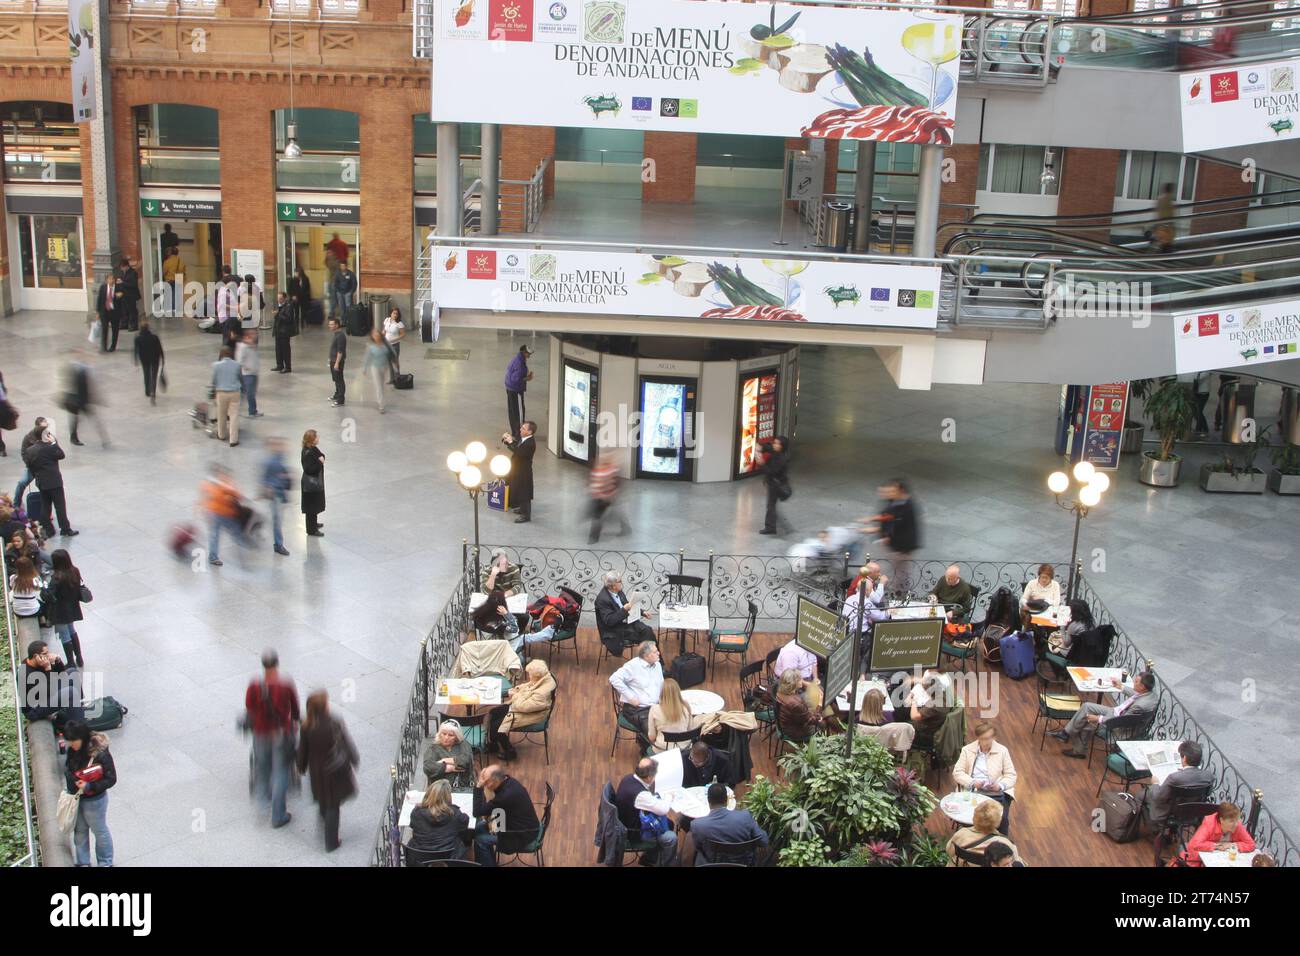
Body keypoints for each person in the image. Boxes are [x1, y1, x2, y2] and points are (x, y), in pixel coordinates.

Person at [243, 648, 300, 829]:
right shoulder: (285, 684)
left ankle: (262, 805)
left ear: (263, 664)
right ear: (277, 663)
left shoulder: (254, 685)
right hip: (281, 733)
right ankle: (278, 815)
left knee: (262, 767)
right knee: (281, 771)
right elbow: (296, 708)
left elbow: (249, 707)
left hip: (260, 732)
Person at [296, 689, 359, 852]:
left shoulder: (306, 725)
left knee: (324, 798)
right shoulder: (333, 722)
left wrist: (301, 766)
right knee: (333, 804)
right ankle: (331, 841)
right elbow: (345, 742)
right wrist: (354, 758)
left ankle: (324, 815)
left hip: (317, 770)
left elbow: (303, 750)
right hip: (333, 771)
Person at [1056, 670, 1158, 759]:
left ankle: (1078, 750)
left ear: (1143, 687)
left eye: (1136, 682)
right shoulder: (1151, 695)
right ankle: (1066, 733)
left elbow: (1120, 721)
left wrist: (1098, 718)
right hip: (1117, 712)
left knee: (1088, 720)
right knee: (1087, 706)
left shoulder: (1139, 706)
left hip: (1119, 726)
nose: (1134, 684)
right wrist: (1120, 686)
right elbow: (1136, 694)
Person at [63, 717, 116, 867]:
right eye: (69, 740)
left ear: (83, 736)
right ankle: (83, 862)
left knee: (99, 831)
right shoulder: (72, 751)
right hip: (77, 798)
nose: (72, 744)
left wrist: (89, 786)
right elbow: (68, 769)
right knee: (80, 831)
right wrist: (74, 781)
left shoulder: (100, 753)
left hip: (95, 800)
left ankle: (105, 862)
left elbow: (111, 778)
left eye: (74, 740)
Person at [952, 722, 1018, 836]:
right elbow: (957, 772)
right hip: (974, 790)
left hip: (996, 792)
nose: (985, 741)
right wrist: (972, 782)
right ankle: (971, 839)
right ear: (978, 738)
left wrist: (1000, 785)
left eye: (988, 738)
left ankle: (1001, 842)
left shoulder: (1002, 751)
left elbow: (1011, 775)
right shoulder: (967, 750)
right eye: (982, 738)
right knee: (970, 817)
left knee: (1002, 820)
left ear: (994, 737)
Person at [471, 764, 539, 866]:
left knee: (480, 841)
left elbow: (477, 812)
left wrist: (478, 787)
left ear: (496, 781)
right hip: (520, 824)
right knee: (479, 827)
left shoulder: (504, 797)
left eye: (486, 781)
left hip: (520, 834)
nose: (484, 784)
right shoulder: (510, 781)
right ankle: (489, 861)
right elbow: (488, 809)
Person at [614, 758, 677, 866]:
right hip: (633, 831)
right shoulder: (641, 795)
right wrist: (669, 797)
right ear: (649, 777)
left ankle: (650, 859)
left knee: (669, 823)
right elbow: (663, 810)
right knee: (671, 838)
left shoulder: (628, 778)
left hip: (624, 822)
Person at [689, 783, 768, 865]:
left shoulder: (697, 825)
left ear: (708, 801)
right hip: (743, 863)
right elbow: (764, 841)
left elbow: (699, 848)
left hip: (712, 863)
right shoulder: (745, 817)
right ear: (726, 800)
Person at [1143, 740, 1215, 831]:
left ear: (1184, 758)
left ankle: (1153, 829)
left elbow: (1158, 797)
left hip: (1170, 813)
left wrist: (1155, 783)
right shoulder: (1209, 776)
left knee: (1141, 795)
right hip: (1193, 813)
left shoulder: (1174, 778)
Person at [494, 658, 556, 759]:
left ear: (536, 676)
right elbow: (529, 685)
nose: (529, 676)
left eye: (530, 674)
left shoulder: (541, 694)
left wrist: (515, 695)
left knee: (497, 725)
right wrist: (517, 689)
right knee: (494, 713)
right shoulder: (543, 678)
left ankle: (510, 751)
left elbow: (523, 707)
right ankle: (494, 744)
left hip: (532, 715)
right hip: (525, 707)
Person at [609, 641, 664, 751]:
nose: (659, 653)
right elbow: (614, 678)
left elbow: (661, 685)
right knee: (653, 733)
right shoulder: (632, 666)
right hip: (638, 710)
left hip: (656, 707)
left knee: (671, 726)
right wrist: (630, 697)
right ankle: (648, 755)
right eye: (655, 651)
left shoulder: (657, 665)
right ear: (647, 655)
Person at [23, 427, 77, 538]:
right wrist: (53, 442)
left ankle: (49, 529)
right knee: (60, 506)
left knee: (45, 506)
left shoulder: (30, 450)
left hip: (41, 482)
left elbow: (29, 465)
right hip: (54, 482)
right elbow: (61, 455)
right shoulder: (49, 448)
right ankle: (65, 529)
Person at [407, 780, 471, 863]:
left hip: (421, 859)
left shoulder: (416, 813)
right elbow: (465, 822)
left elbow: (414, 828)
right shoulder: (454, 814)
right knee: (467, 839)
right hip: (449, 859)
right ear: (448, 797)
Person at [42, 549, 87, 667]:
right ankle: (79, 658)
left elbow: (49, 596)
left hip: (60, 611)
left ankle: (71, 662)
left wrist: (43, 588)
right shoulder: (75, 571)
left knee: (65, 635)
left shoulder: (57, 577)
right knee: (72, 631)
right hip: (72, 607)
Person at [20, 640, 81, 726]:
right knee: (71, 692)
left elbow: (61, 675)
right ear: (35, 656)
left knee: (72, 672)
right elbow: (49, 692)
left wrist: (58, 661)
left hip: (47, 693)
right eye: (45, 654)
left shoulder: (38, 662)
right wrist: (48, 668)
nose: (48, 656)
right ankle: (77, 728)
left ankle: (78, 709)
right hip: (35, 708)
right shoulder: (26, 674)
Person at [596, 570, 656, 654]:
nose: (622, 583)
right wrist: (624, 610)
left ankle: (653, 660)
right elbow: (609, 621)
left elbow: (629, 605)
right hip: (614, 630)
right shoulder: (602, 600)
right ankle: (652, 661)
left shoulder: (619, 591)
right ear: (613, 585)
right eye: (620, 581)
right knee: (647, 636)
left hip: (627, 621)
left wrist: (642, 612)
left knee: (647, 630)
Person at [946, 799, 1019, 866]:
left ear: (975, 816)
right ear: (998, 821)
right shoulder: (1005, 844)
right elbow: (1016, 862)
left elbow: (948, 851)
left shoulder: (961, 834)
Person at [1186, 802, 1256, 867]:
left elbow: (1251, 844)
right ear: (1222, 820)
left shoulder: (1237, 825)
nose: (1235, 824)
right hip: (1198, 861)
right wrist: (1216, 846)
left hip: (1223, 859)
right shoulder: (1209, 824)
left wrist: (1231, 845)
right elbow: (1195, 844)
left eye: (1237, 820)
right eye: (1231, 821)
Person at [200, 463, 243, 567]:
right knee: (230, 532)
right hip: (221, 513)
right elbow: (237, 495)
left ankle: (213, 557)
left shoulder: (208, 483)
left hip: (218, 513)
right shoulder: (222, 484)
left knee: (215, 534)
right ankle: (214, 557)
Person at [63, 357, 108, 448]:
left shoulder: (75, 371)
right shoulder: (82, 373)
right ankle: (104, 439)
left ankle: (74, 437)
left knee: (76, 419)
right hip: (80, 401)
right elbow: (87, 389)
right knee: (93, 419)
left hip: (77, 400)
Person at [587, 450, 629, 544]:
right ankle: (625, 527)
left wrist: (606, 494)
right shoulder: (603, 470)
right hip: (605, 496)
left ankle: (593, 537)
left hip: (604, 497)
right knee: (614, 512)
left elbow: (613, 483)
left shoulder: (606, 470)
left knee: (598, 517)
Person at [500, 420, 536, 523]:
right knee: (518, 489)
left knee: (524, 492)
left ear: (530, 432)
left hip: (524, 471)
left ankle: (526, 515)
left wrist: (511, 442)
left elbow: (519, 452)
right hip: (517, 469)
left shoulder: (530, 443)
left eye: (523, 429)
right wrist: (508, 439)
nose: (520, 429)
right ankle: (521, 508)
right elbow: (517, 446)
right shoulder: (524, 438)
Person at [261, 437, 292, 556]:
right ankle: (278, 544)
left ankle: (278, 543)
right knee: (277, 520)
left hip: (280, 493)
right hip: (275, 494)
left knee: (278, 519)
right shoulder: (270, 462)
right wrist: (267, 488)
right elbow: (265, 478)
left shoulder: (280, 458)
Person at [646, 677, 695, 753]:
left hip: (662, 750)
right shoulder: (686, 706)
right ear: (678, 691)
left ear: (661, 693)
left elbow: (652, 737)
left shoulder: (654, 709)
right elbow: (690, 730)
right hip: (684, 749)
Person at [423, 719, 474, 789]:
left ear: (456, 736)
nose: (446, 738)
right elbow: (428, 767)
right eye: (444, 734)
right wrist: (449, 768)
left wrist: (444, 760)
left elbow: (466, 761)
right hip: (439, 790)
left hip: (461, 787)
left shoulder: (463, 744)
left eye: (451, 735)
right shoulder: (433, 748)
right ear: (440, 734)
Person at [775, 668, 823, 743]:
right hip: (796, 731)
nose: (802, 680)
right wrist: (819, 704)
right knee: (824, 722)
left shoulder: (780, 692)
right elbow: (812, 721)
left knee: (811, 702)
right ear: (794, 683)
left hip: (786, 723)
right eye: (800, 679)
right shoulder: (795, 704)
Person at [210, 346, 243, 446]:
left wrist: (213, 390)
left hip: (221, 393)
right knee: (234, 415)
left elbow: (214, 380)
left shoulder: (216, 365)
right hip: (235, 393)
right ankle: (233, 440)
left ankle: (221, 435)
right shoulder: (237, 365)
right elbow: (240, 378)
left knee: (221, 414)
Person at [758, 436, 791, 535]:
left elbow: (772, 472)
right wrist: (761, 447)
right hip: (773, 483)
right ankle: (771, 526)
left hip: (775, 485)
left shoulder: (781, 460)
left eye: (777, 444)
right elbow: (768, 447)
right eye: (774, 443)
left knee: (771, 505)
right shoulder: (776, 452)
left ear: (782, 446)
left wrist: (762, 464)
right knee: (771, 505)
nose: (774, 445)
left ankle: (770, 527)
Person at [12, 417, 48, 504]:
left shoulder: (49, 436)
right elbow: (24, 453)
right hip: (32, 467)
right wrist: (30, 464)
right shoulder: (28, 437)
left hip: (44, 468)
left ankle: (45, 506)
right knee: (22, 483)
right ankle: (16, 504)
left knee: (46, 487)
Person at [504, 345, 533, 441]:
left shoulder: (517, 359)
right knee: (519, 412)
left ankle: (515, 432)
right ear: (524, 352)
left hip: (510, 388)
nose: (529, 355)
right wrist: (527, 378)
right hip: (516, 391)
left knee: (512, 411)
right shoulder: (520, 364)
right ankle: (519, 434)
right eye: (528, 353)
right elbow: (516, 379)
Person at [132, 319, 164, 405]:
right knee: (154, 377)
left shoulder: (137, 338)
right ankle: (153, 392)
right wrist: (163, 359)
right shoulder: (154, 337)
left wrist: (136, 360)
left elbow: (136, 351)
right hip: (155, 359)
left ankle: (147, 391)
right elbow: (160, 349)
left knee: (146, 375)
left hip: (144, 360)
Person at [301, 429, 326, 537]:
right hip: (310, 485)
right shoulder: (307, 453)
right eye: (316, 437)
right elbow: (309, 469)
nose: (318, 438)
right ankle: (311, 530)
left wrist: (321, 459)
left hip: (315, 483)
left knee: (314, 505)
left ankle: (314, 524)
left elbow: (321, 455)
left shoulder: (313, 449)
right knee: (311, 507)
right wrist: (320, 463)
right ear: (312, 440)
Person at [95, 270, 124, 352]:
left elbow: (123, 296)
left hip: (115, 312)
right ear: (107, 280)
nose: (111, 281)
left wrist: (120, 295)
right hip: (105, 311)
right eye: (110, 279)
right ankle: (104, 346)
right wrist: (98, 312)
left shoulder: (118, 287)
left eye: (113, 279)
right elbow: (99, 299)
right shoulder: (103, 287)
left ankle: (113, 346)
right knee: (104, 328)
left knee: (115, 330)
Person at [235, 329, 262, 418]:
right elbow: (239, 360)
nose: (256, 335)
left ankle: (253, 410)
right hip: (248, 374)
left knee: (252, 393)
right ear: (248, 335)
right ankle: (251, 412)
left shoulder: (253, 345)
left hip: (254, 372)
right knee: (250, 393)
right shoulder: (243, 347)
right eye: (254, 334)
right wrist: (246, 368)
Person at [7, 556, 43, 621]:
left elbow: (12, 587)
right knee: (43, 601)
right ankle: (42, 619)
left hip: (17, 612)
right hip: (34, 611)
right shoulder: (35, 579)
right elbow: (40, 590)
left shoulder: (13, 578)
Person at [363, 328, 389, 413]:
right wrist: (365, 368)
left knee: (382, 384)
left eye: (378, 334)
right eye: (374, 335)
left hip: (384, 367)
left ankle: (380, 399)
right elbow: (367, 358)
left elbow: (391, 354)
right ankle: (381, 405)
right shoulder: (371, 347)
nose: (376, 336)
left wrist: (395, 364)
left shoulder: (385, 345)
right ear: (372, 337)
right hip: (375, 368)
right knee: (379, 386)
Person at [271, 290, 297, 374]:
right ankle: (279, 365)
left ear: (285, 298)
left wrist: (278, 314)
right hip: (278, 330)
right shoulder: (278, 305)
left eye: (281, 298)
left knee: (285, 350)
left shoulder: (289, 306)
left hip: (285, 331)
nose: (279, 300)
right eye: (278, 298)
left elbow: (288, 319)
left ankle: (288, 367)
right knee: (278, 349)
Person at [383, 306, 406, 384]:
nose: (395, 315)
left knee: (395, 362)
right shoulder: (387, 320)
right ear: (391, 313)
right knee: (389, 362)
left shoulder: (399, 324)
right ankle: (392, 379)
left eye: (397, 314)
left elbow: (403, 334)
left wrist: (394, 339)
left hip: (395, 345)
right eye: (394, 313)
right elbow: (384, 331)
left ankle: (397, 378)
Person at [328, 317, 347, 406]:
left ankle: (340, 400)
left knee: (339, 380)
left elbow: (340, 351)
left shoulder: (341, 336)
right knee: (336, 379)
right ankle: (337, 394)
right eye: (329, 324)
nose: (330, 326)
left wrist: (337, 363)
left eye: (331, 324)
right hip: (333, 361)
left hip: (337, 362)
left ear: (337, 325)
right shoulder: (336, 334)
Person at [119, 257, 141, 331]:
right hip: (124, 295)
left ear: (126, 266)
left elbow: (133, 284)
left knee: (132, 311)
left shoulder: (133, 272)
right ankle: (124, 324)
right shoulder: (123, 273)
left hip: (131, 295)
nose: (121, 269)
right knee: (124, 310)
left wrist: (123, 283)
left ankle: (133, 325)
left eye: (122, 267)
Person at [161, 243, 184, 317]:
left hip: (169, 280)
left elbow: (164, 271)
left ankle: (170, 310)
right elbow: (183, 271)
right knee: (177, 296)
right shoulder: (181, 261)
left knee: (169, 296)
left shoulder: (167, 262)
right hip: (178, 280)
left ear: (170, 253)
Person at [1153, 182, 1176, 252]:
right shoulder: (1168, 199)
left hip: (1160, 224)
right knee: (1166, 244)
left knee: (1163, 243)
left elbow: (1157, 211)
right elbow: (1170, 213)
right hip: (1167, 225)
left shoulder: (1160, 199)